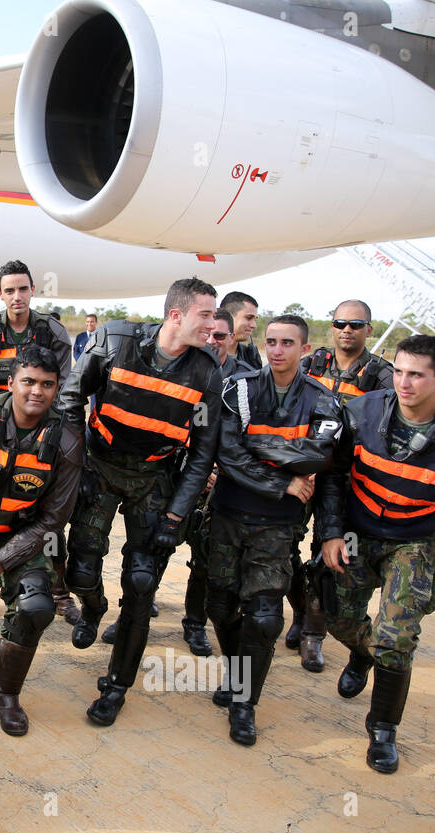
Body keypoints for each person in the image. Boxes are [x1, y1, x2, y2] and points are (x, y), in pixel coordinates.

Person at [316, 335, 435, 773]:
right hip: (357, 533)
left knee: (396, 639)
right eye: (398, 371)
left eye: (417, 374)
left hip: (412, 541)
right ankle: (362, 653)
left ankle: (382, 730)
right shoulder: (362, 410)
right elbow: (333, 475)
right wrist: (330, 532)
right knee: (338, 618)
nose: (404, 382)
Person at [60, 277, 222, 726]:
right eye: (205, 315)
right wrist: (79, 468)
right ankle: (93, 610)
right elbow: (71, 401)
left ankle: (116, 687)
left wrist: (176, 513)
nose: (213, 325)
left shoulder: (208, 372)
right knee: (82, 570)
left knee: (141, 581)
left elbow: (202, 452)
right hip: (101, 467)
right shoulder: (115, 339)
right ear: (176, 314)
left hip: (154, 478)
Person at [205, 315, 342, 746]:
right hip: (228, 514)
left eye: (288, 343)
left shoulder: (324, 400)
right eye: (271, 342)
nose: (277, 350)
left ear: (305, 349)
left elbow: (318, 457)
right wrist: (282, 479)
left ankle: (244, 704)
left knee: (264, 619)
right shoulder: (238, 389)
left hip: (279, 526)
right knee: (222, 609)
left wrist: (256, 446)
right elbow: (227, 451)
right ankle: (237, 672)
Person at [0, 346, 82, 734]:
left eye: (47, 384)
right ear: (10, 382)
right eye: (28, 381)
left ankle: (6, 692)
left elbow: (53, 518)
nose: (37, 392)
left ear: (57, 389)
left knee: (36, 607)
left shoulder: (67, 440)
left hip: (23, 537)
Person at [0, 260, 78, 626]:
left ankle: (58, 591)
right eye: (9, 290)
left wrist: (50, 432)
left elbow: (61, 387)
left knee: (45, 515)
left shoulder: (53, 332)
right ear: (0, 294)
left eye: (23, 289)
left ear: (32, 291)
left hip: (42, 428)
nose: (17, 296)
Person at [286, 300, 396, 669]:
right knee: (283, 548)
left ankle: (313, 635)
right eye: (340, 323)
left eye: (356, 324)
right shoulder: (310, 365)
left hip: (347, 482)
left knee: (327, 557)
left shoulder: (382, 375)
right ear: (332, 327)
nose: (346, 329)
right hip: (303, 472)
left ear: (369, 329)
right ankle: (300, 613)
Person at [180, 308, 242, 657]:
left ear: (231, 339)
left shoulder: (246, 381)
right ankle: (135, 610)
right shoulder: (185, 369)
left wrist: (216, 473)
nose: (213, 341)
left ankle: (194, 624)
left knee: (204, 560)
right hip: (182, 477)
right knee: (154, 551)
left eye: (221, 336)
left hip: (221, 483)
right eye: (209, 334)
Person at [221, 291, 261, 370]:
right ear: (227, 316)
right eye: (249, 318)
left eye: (255, 320)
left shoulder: (251, 357)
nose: (254, 325)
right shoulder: (202, 355)